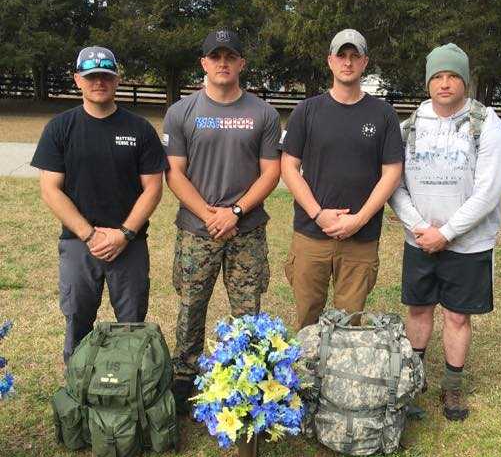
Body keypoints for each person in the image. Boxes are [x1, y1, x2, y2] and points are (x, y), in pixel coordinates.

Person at [389, 43, 501, 421]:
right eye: (438, 77)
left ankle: (452, 388)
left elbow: (489, 191)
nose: (445, 84)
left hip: (468, 244)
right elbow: (394, 183)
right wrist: (419, 227)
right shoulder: (409, 127)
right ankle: (414, 379)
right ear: (428, 82)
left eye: (453, 76)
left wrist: (449, 232)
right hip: (420, 240)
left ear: (465, 80)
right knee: (419, 309)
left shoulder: (486, 123)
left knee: (458, 316)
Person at [163, 29, 282, 411]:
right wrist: (209, 215)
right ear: (204, 63)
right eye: (216, 56)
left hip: (245, 230)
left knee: (248, 309)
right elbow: (174, 172)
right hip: (198, 230)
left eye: (230, 56)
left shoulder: (262, 113)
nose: (223, 63)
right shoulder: (181, 112)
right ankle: (184, 377)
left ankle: (245, 377)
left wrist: (234, 213)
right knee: (191, 304)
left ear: (242, 63)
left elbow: (270, 173)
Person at [31, 46, 168, 363]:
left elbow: (153, 188)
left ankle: (130, 391)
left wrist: (124, 233)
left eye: (106, 75)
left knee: (132, 326)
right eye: (91, 76)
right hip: (79, 244)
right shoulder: (59, 128)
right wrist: (90, 235)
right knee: (77, 320)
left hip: (129, 244)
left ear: (117, 79)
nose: (99, 82)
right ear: (78, 79)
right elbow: (50, 189)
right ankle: (77, 390)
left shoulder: (139, 129)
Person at [281, 28, 404, 329]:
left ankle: (341, 374)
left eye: (354, 56)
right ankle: (308, 373)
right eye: (341, 55)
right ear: (330, 61)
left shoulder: (383, 114)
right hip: (312, 233)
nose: (347, 62)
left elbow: (392, 173)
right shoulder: (307, 111)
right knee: (307, 318)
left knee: (349, 323)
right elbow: (289, 166)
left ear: (364, 63)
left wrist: (359, 219)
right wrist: (318, 214)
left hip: (360, 239)